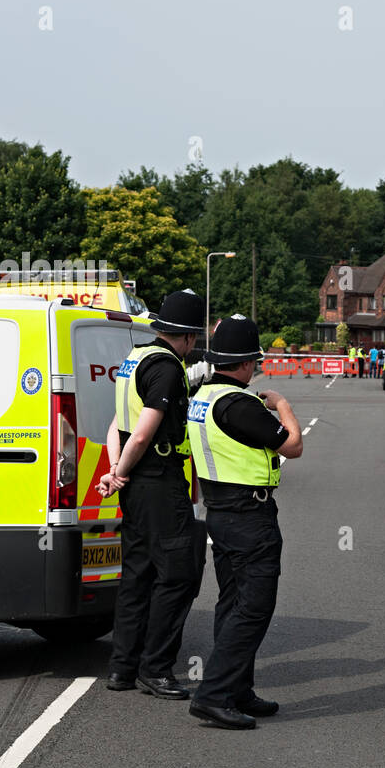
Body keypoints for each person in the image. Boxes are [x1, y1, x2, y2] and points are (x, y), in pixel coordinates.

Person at [186, 314, 303, 729]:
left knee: (232, 601)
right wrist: (284, 407)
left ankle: (236, 689)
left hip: (221, 511)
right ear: (246, 363)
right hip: (248, 514)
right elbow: (293, 446)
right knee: (254, 606)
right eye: (255, 360)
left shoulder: (202, 396)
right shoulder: (239, 405)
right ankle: (214, 693)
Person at [99, 289, 207, 700]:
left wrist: (114, 472)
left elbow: (117, 425)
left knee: (137, 575)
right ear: (189, 338)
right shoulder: (167, 368)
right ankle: (156, 669)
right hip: (159, 484)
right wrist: (122, 471)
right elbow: (143, 433)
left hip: (134, 488)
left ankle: (122, 668)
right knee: (177, 576)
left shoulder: (134, 360)